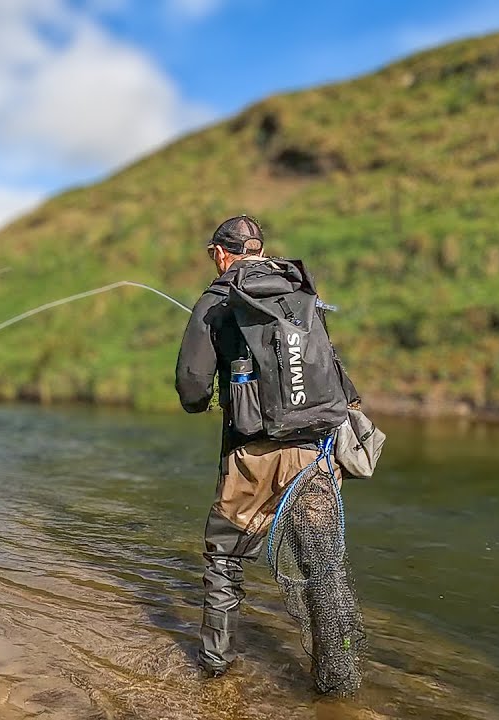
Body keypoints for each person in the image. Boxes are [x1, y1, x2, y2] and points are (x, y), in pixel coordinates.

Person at [175, 215, 354, 679]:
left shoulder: (216, 299)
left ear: (220, 253)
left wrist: (205, 401)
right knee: (321, 567)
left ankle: (215, 672)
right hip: (318, 451)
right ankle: (332, 681)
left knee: (225, 557)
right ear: (260, 249)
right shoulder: (299, 293)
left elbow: (192, 387)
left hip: (253, 455)